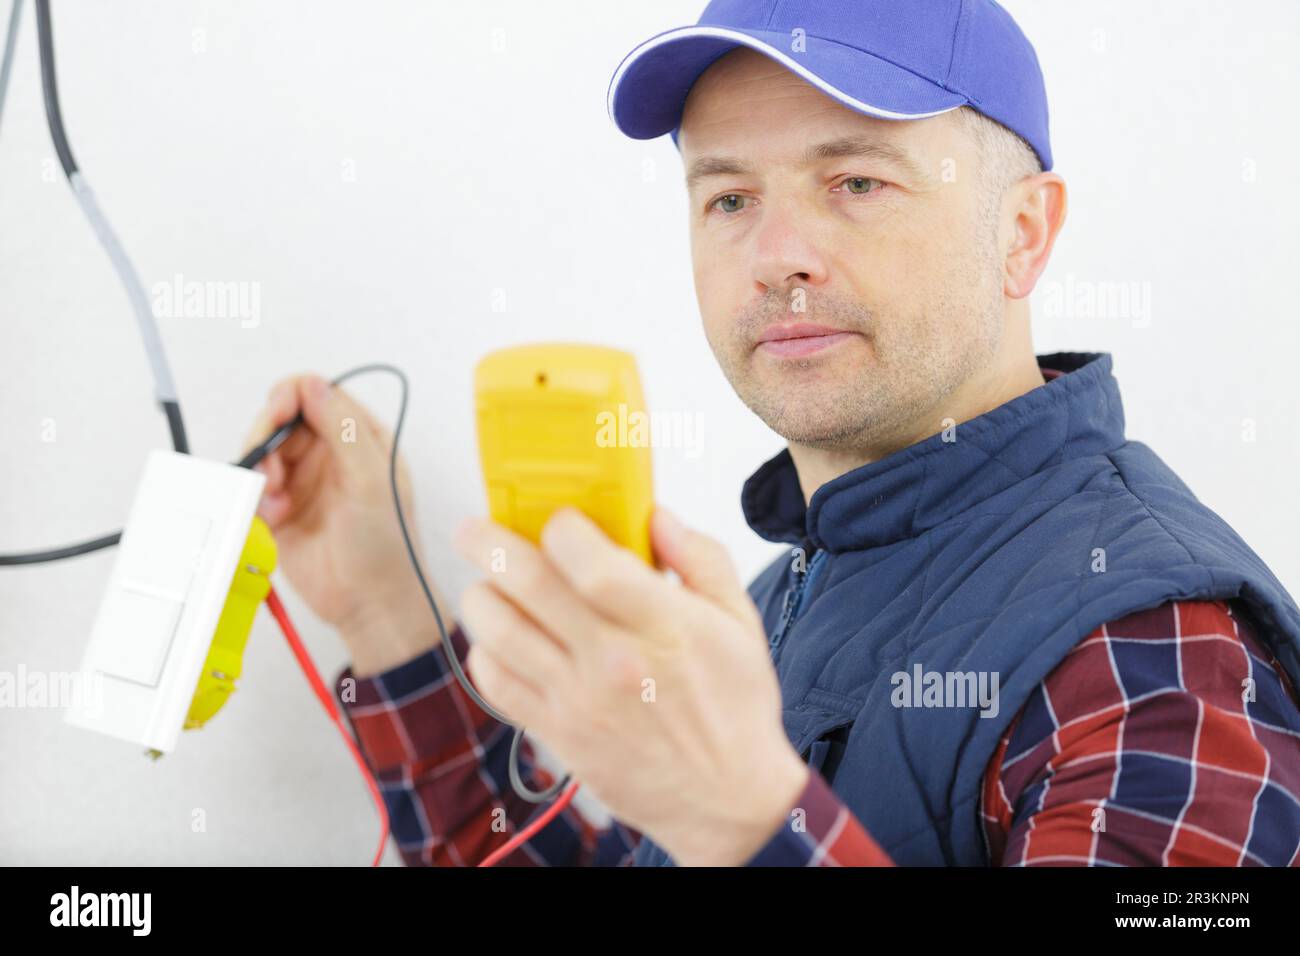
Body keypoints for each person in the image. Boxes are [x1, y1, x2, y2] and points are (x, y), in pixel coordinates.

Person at [245, 0, 1300, 866]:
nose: (777, 254)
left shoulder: (1152, 650)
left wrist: (741, 818)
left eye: (855, 182)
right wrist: (383, 601)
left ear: (1021, 233)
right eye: (730, 197)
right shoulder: (784, 595)